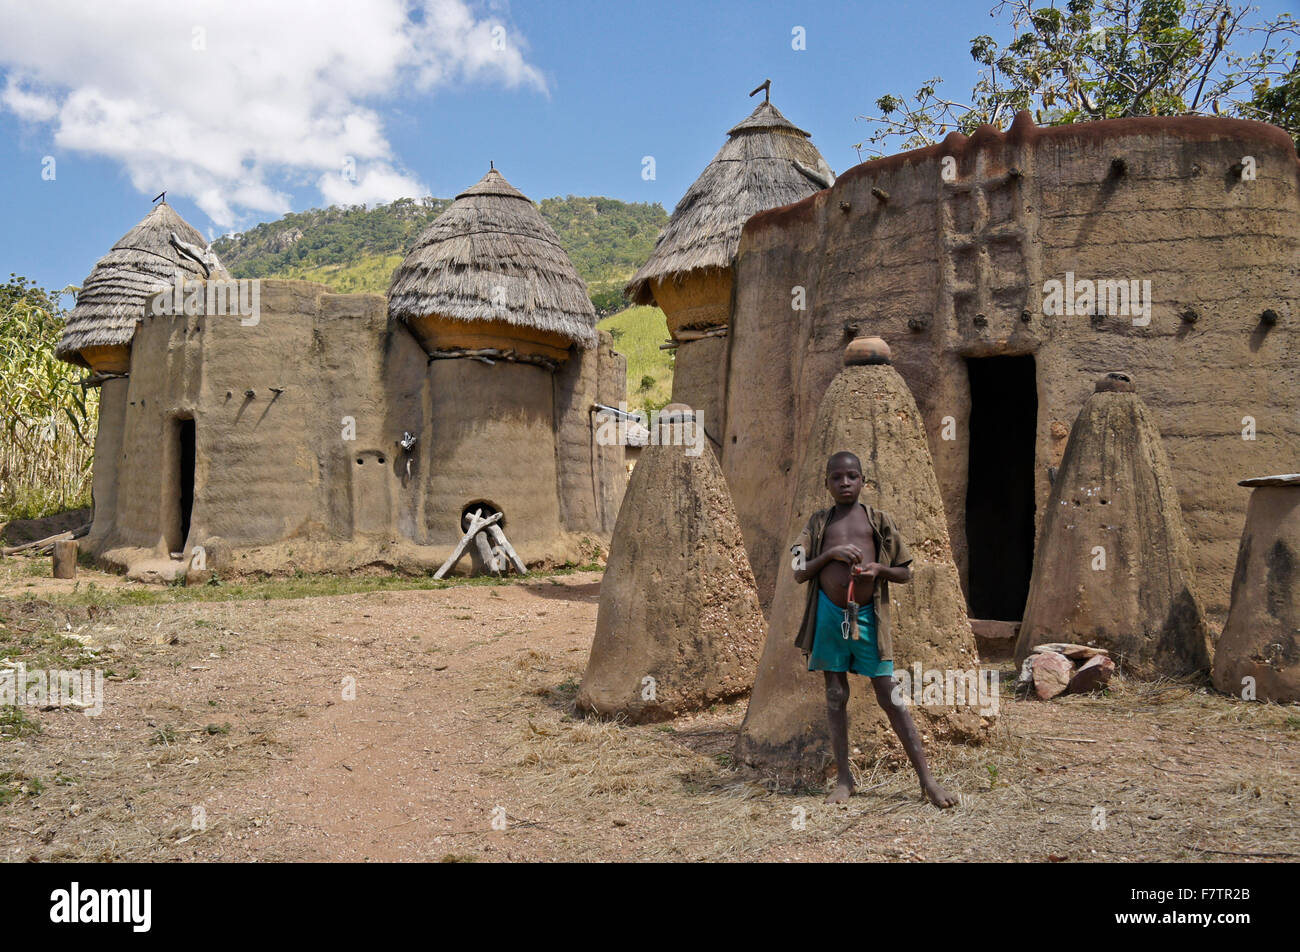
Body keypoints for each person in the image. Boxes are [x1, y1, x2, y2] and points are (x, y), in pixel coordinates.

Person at [791, 451, 958, 808]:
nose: (845, 483)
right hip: (827, 616)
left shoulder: (878, 521)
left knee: (889, 693)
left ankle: (927, 781)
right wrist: (830, 556)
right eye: (837, 477)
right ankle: (844, 780)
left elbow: (905, 571)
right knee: (835, 695)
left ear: (863, 481)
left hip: (867, 617)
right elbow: (798, 568)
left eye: (852, 476)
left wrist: (878, 570)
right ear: (827, 483)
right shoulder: (818, 524)